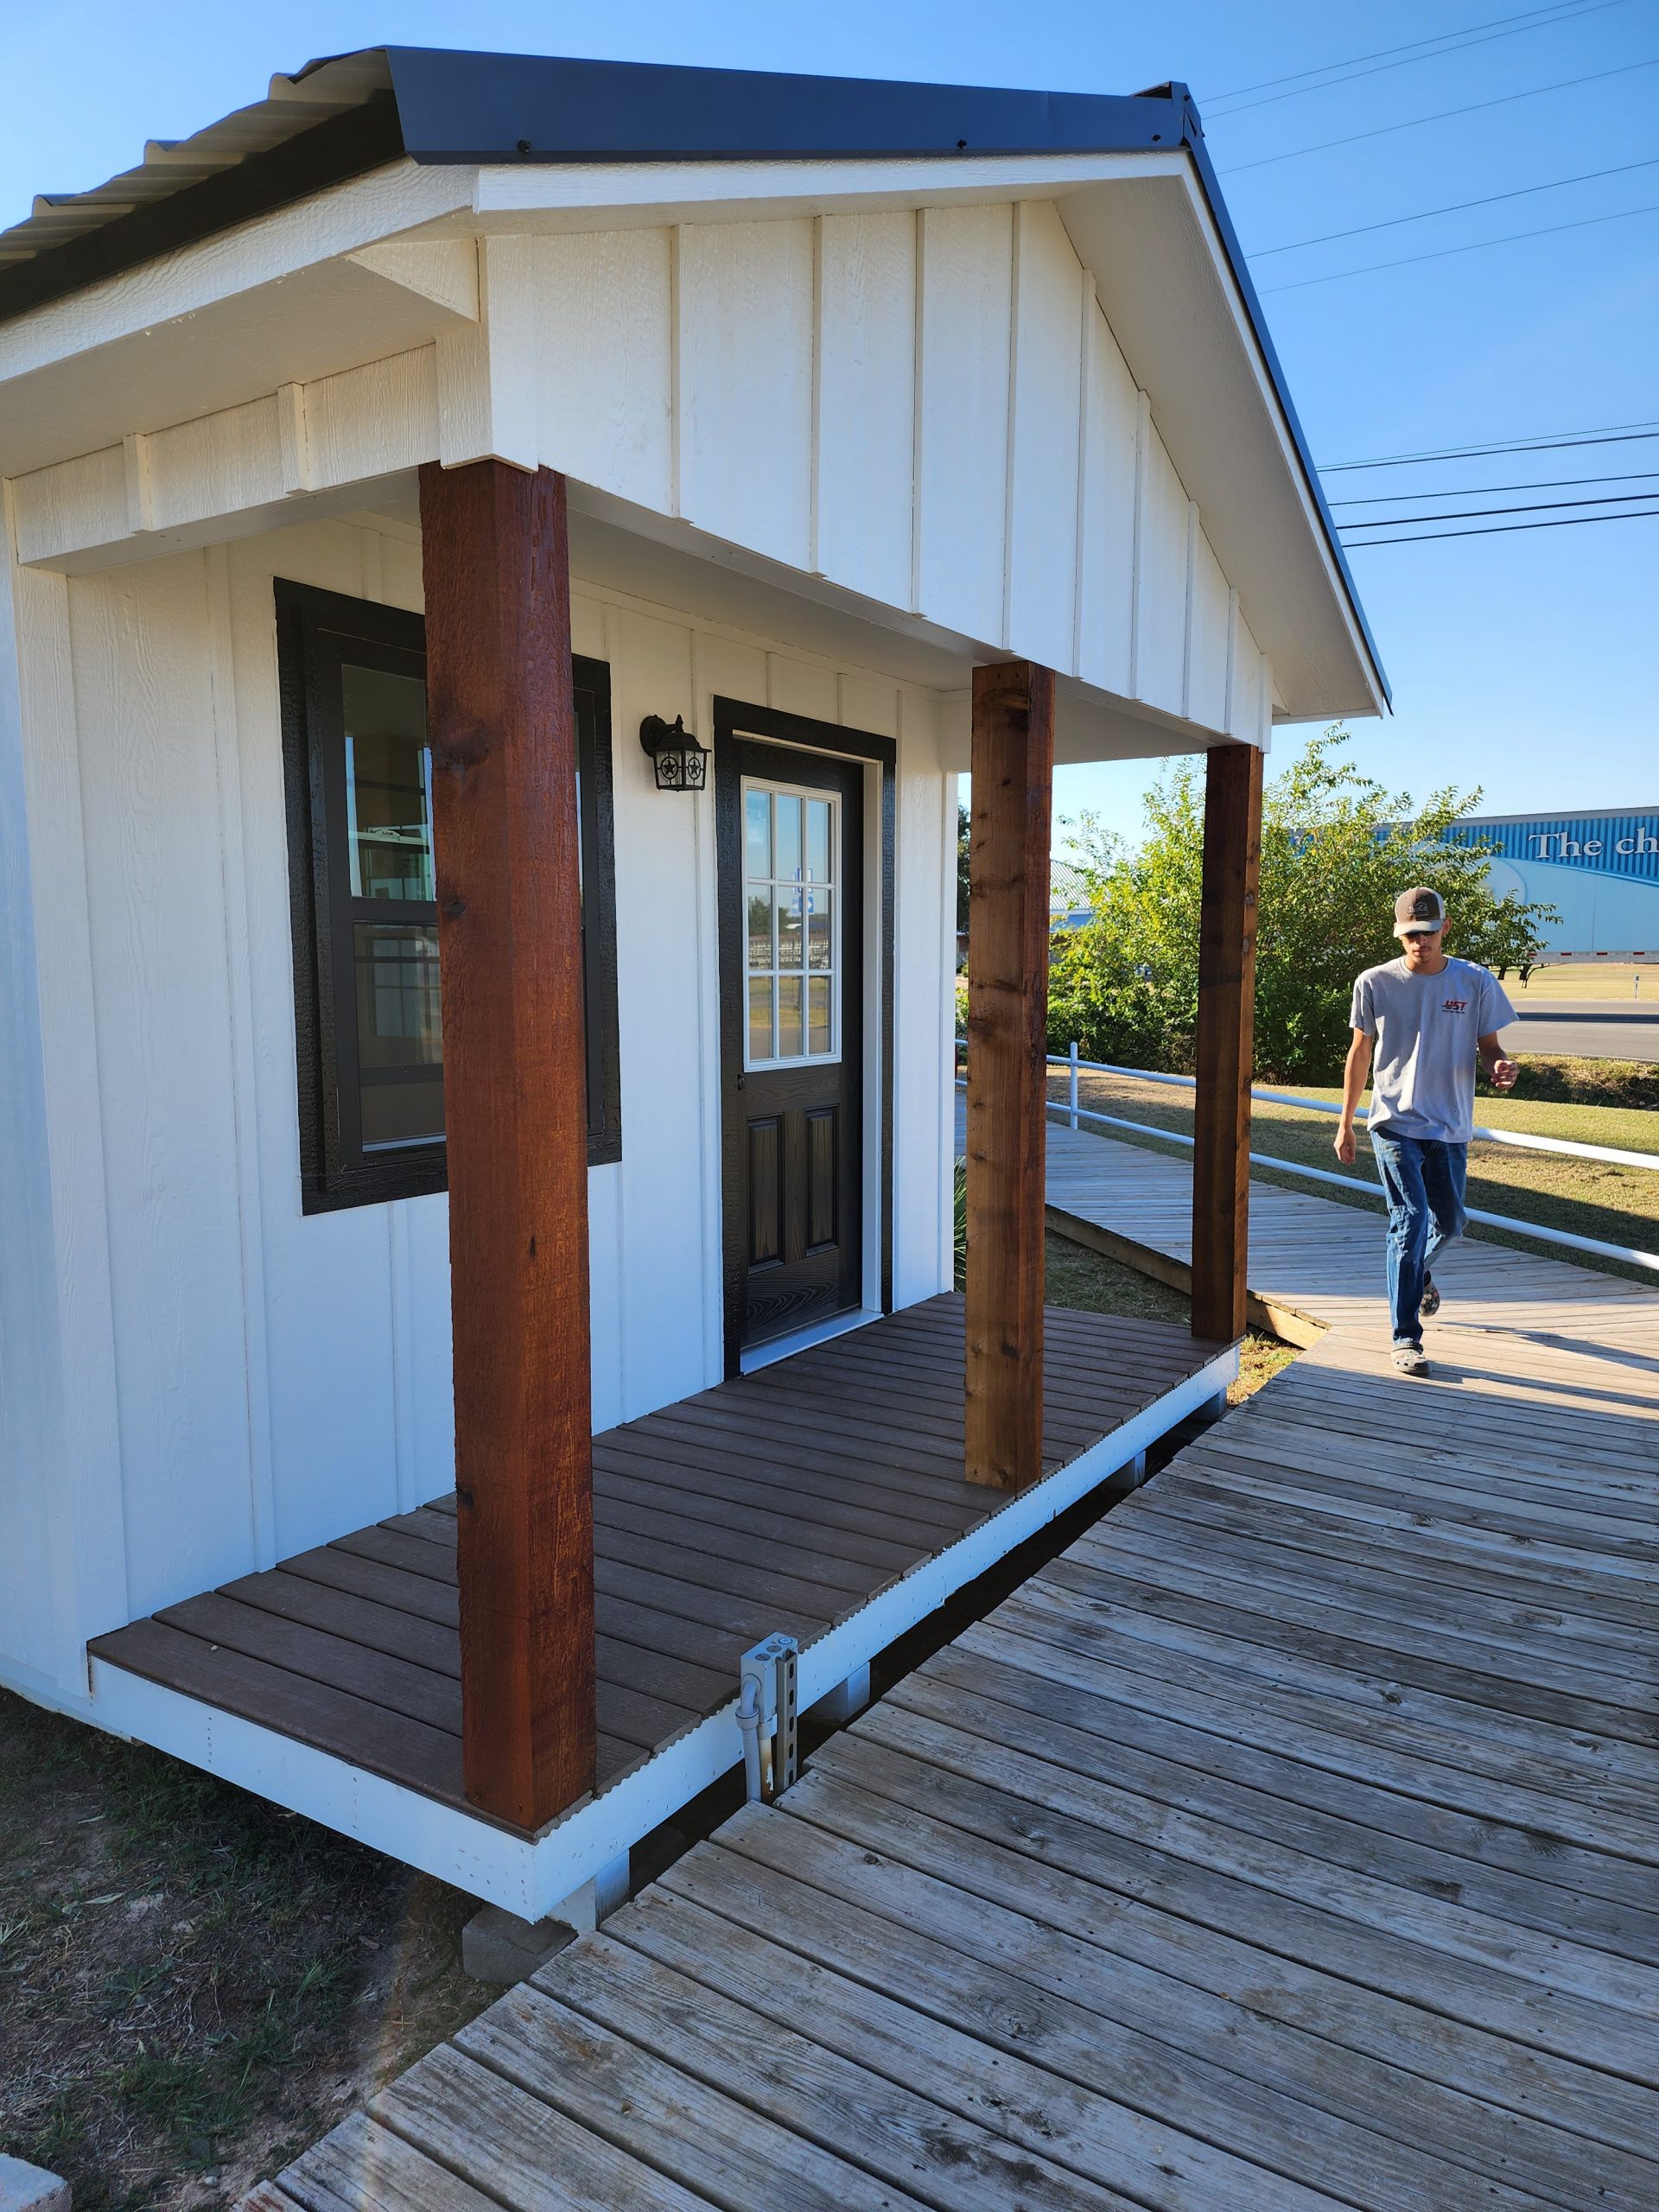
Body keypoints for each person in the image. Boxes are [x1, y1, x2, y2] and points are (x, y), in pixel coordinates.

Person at [1334, 887, 1519, 1376]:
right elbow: (1360, 1053)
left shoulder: (1474, 980)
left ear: (1445, 928)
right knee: (1410, 1220)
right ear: (1399, 934)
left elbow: (1490, 1047)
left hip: (1451, 1124)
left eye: (1429, 932)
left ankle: (1417, 1273)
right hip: (1394, 1121)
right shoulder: (1375, 982)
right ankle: (1405, 1339)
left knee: (1451, 1223)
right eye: (1412, 934)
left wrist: (1500, 1067)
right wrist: (1345, 1122)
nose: (1421, 942)